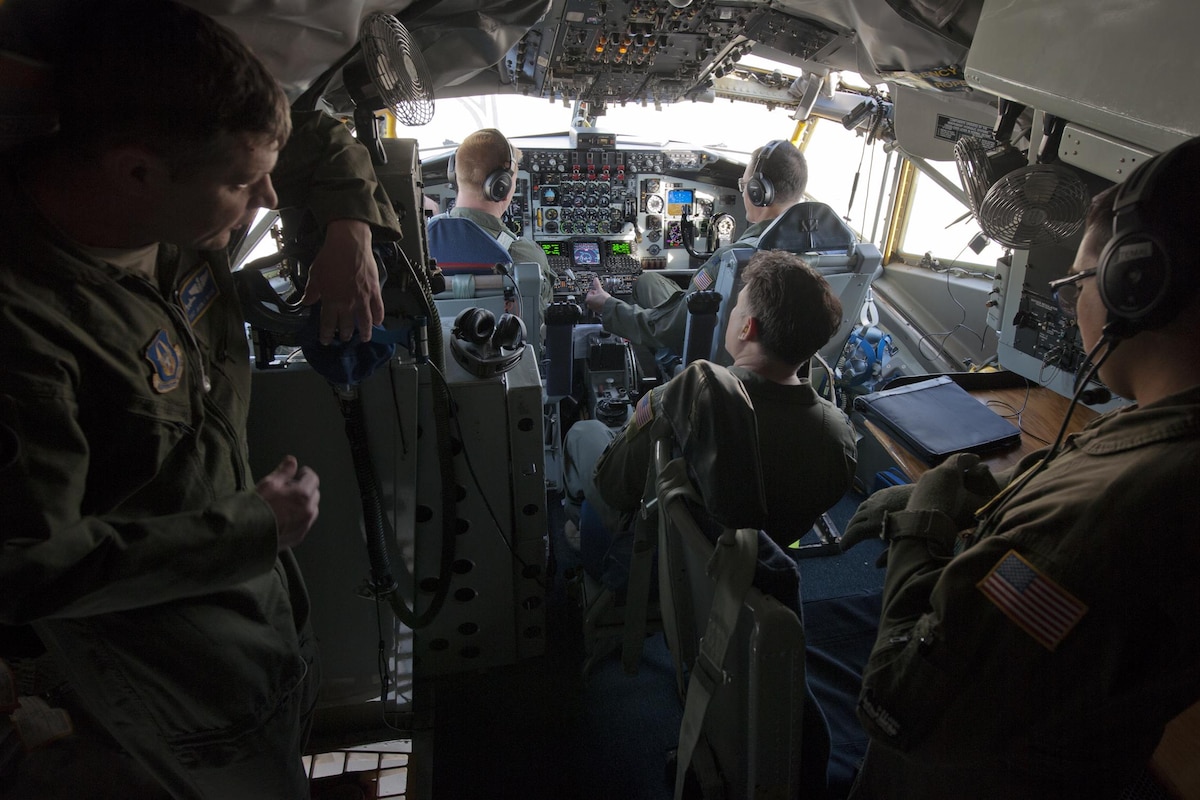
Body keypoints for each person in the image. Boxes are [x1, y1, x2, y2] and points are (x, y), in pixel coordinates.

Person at [0, 1, 394, 795]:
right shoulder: (25, 328)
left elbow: (307, 131)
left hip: (260, 599)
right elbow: (26, 568)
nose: (268, 201)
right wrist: (252, 525)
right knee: (231, 765)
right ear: (138, 169)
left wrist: (353, 228)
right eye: (245, 185)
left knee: (277, 729)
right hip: (170, 658)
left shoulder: (168, 183)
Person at [840, 135, 1200, 799]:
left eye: (1078, 281)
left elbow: (894, 703)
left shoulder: (1097, 524)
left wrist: (924, 524)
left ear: (1138, 283)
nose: (1072, 303)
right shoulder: (1158, 437)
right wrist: (976, 496)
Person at [564, 249, 857, 587]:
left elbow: (612, 486)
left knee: (584, 433)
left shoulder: (675, 401)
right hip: (755, 574)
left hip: (659, 570)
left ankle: (579, 532)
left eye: (735, 307)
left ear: (747, 327)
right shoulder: (839, 436)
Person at [584, 139, 809, 358]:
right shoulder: (826, 252)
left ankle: (663, 367)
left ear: (758, 191)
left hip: (711, 355)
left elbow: (668, 330)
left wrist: (608, 306)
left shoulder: (730, 259)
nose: (742, 192)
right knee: (647, 281)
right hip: (773, 352)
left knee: (654, 318)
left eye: (744, 185)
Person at [437, 127, 557, 312]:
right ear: (501, 186)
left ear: (454, 176)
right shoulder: (525, 256)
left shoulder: (419, 246)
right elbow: (540, 321)